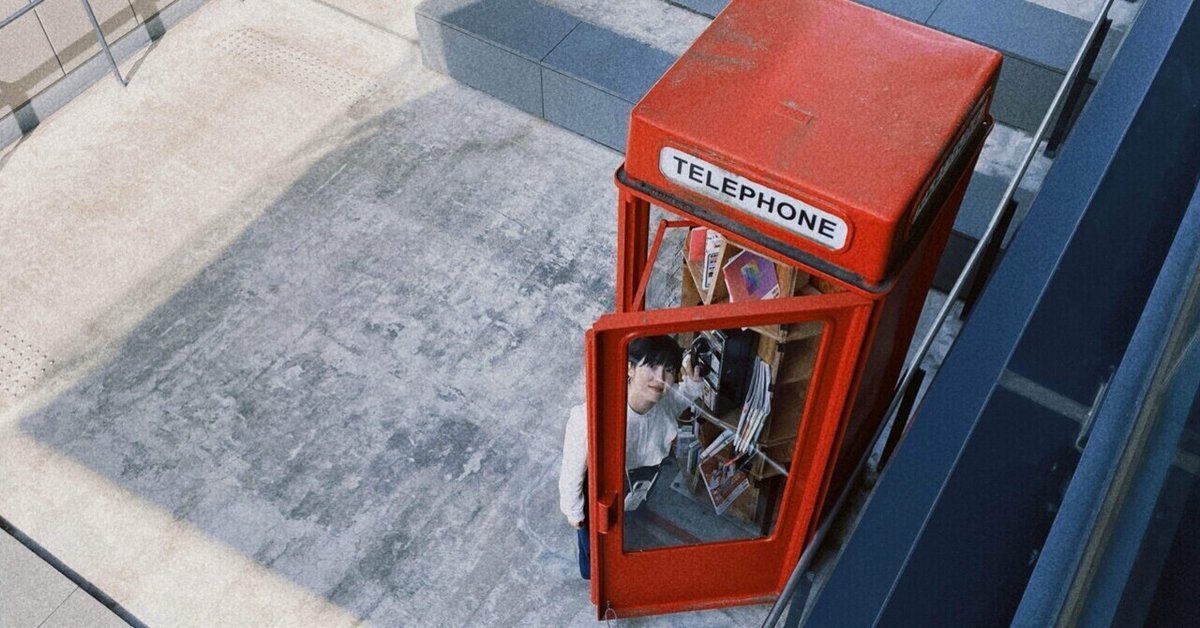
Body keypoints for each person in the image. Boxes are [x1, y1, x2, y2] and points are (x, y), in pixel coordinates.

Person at [558, 335, 703, 579]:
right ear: (630, 368)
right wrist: (574, 512)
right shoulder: (590, 417)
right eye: (652, 366)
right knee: (596, 552)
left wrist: (694, 382)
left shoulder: (664, 401)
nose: (660, 378)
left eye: (668, 369)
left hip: (642, 480)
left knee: (627, 523)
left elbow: (682, 395)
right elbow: (572, 469)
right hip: (604, 490)